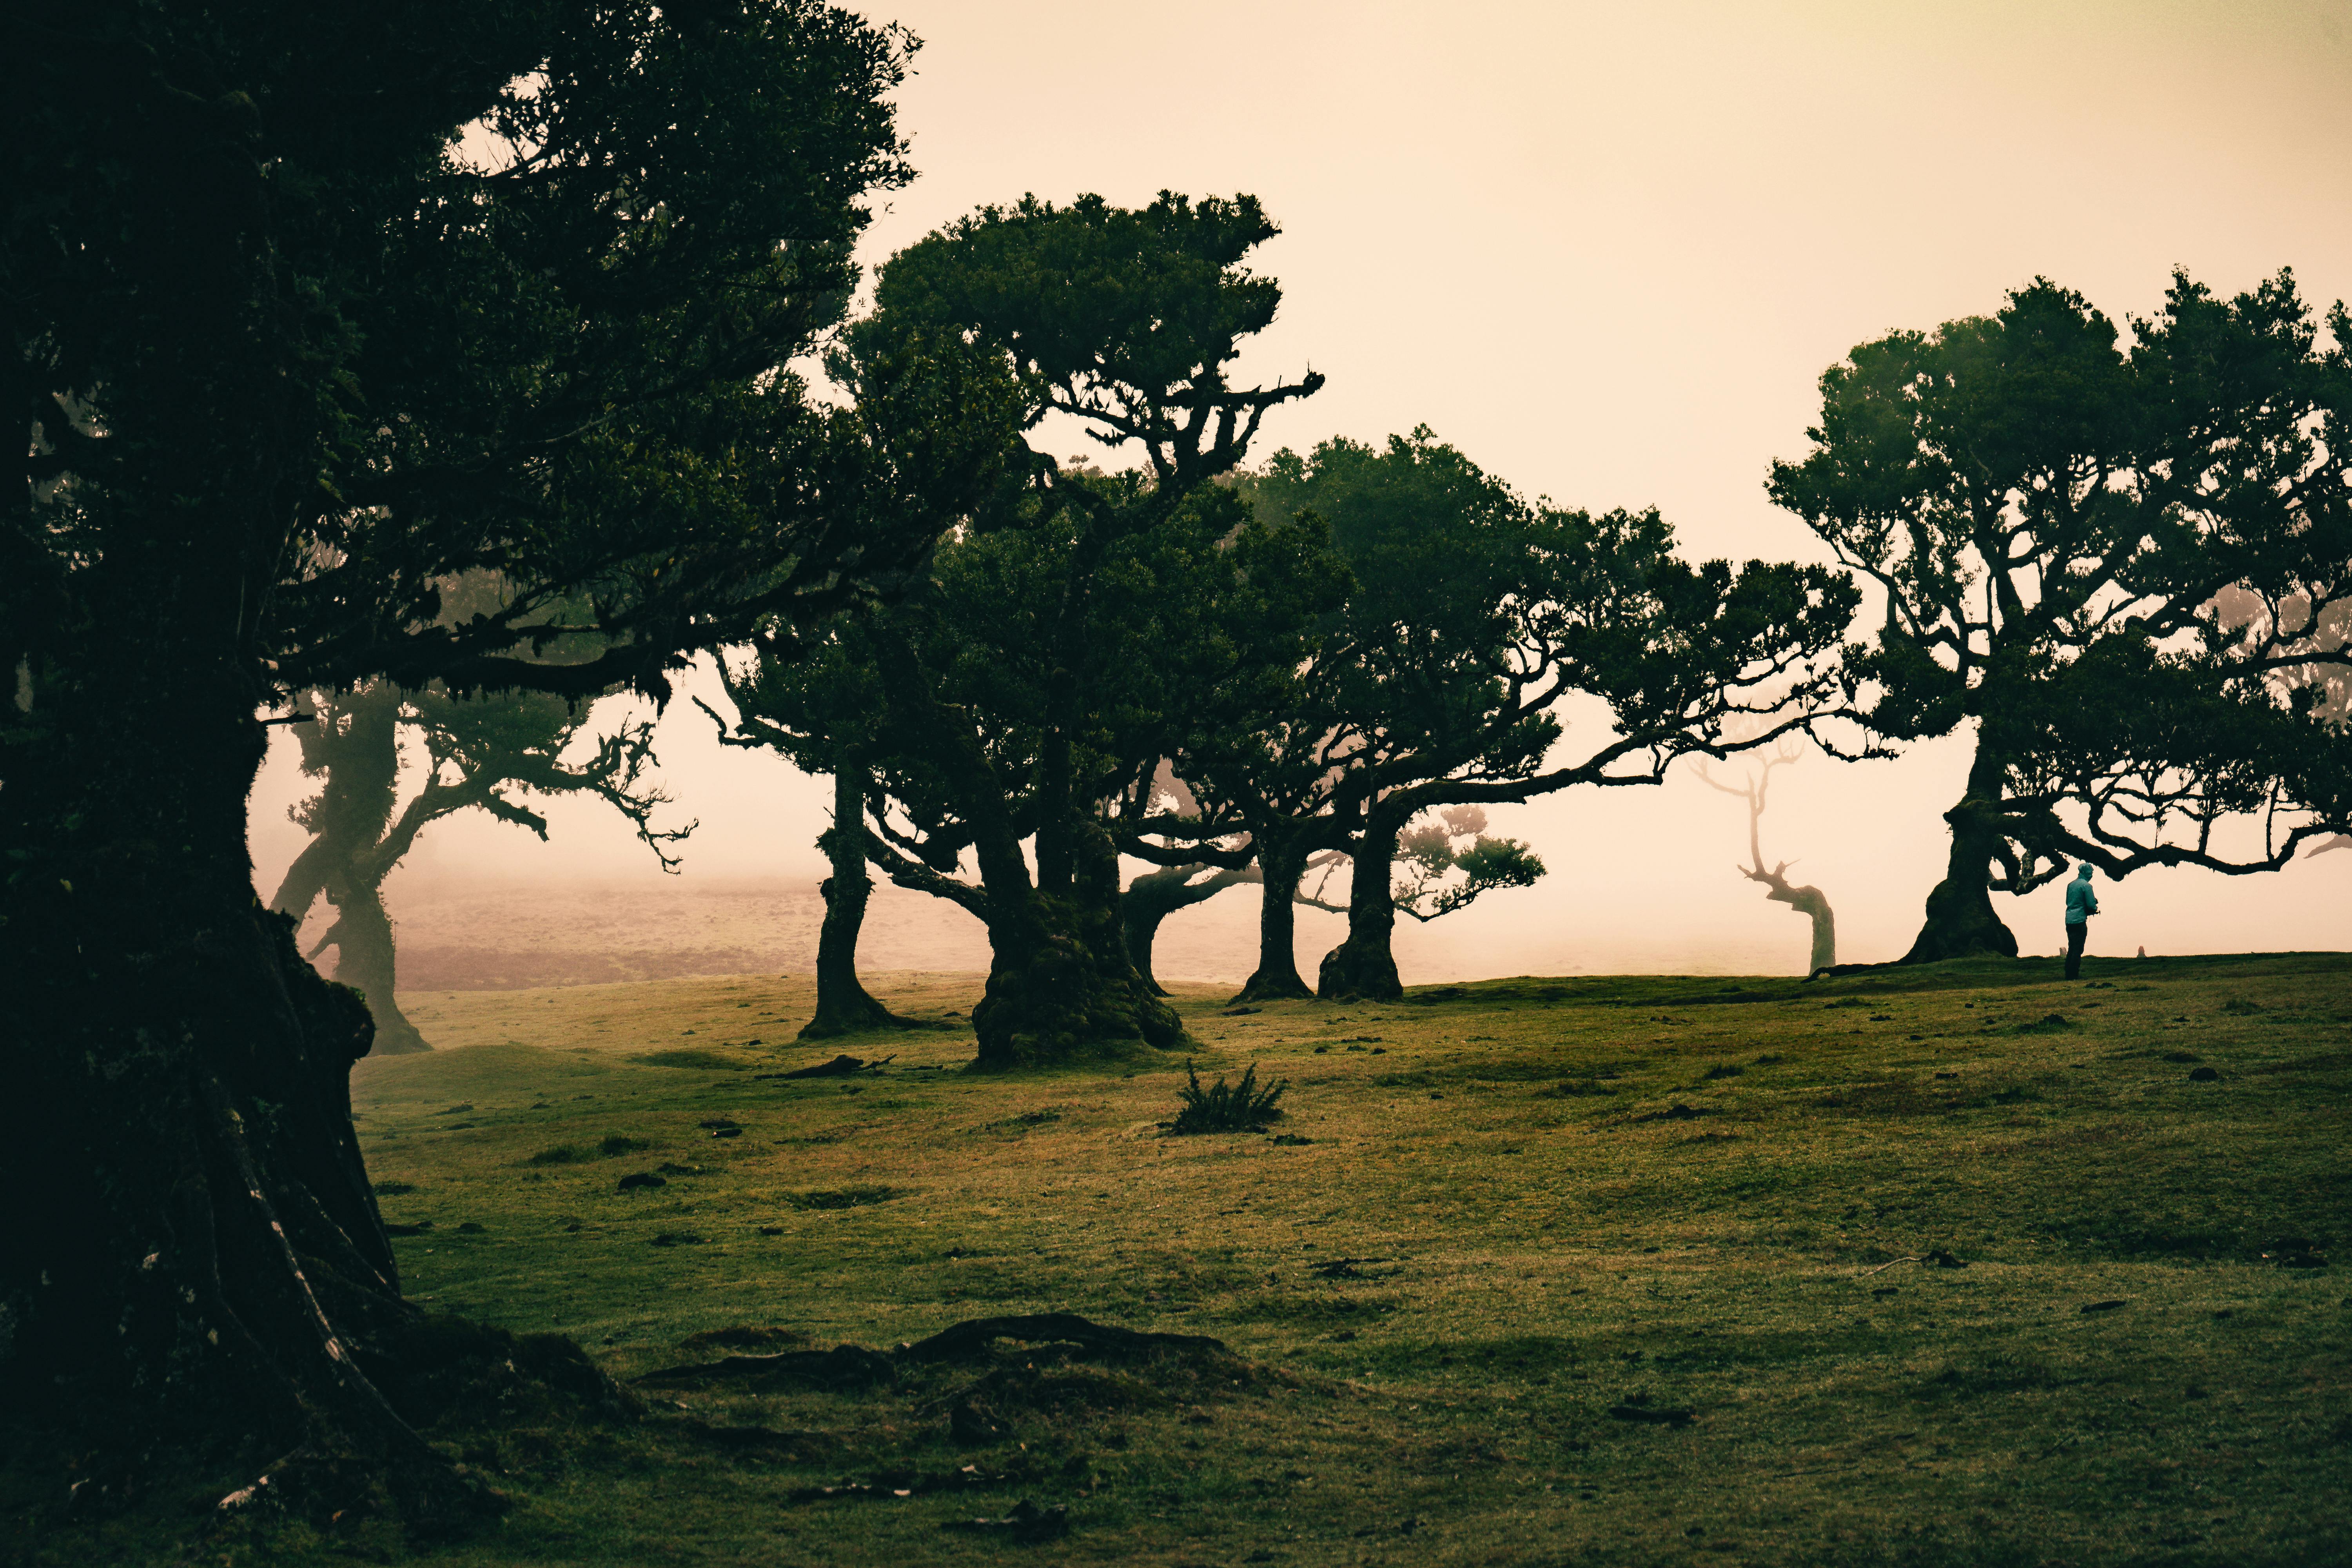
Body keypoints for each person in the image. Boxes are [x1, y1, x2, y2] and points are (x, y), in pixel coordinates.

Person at [2063, 863, 2100, 979]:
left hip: (2069, 920)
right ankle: (2073, 975)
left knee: (2072, 947)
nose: (2091, 875)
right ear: (2085, 873)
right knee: (2078, 948)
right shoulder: (2087, 886)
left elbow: (2068, 902)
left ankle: (2068, 973)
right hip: (2079, 920)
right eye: (2091, 873)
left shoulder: (2071, 885)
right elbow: (2091, 905)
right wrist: (2094, 907)